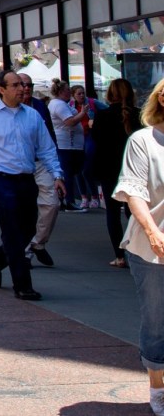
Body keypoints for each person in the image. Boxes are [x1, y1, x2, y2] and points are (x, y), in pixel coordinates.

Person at [0, 71, 65, 300]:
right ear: (1, 89)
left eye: (23, 84)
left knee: (29, 229)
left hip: (25, 178)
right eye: (15, 85)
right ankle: (22, 284)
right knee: (11, 228)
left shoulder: (32, 116)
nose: (22, 88)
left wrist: (57, 175)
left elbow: (46, 148)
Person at [111, 76, 164, 415]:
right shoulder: (143, 141)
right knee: (157, 321)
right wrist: (153, 233)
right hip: (151, 248)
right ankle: (158, 388)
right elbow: (133, 193)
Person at [93, 78, 138, 268]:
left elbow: (96, 141)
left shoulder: (103, 116)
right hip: (133, 169)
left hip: (109, 168)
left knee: (112, 212)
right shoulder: (138, 115)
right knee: (134, 212)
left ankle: (119, 256)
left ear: (110, 95)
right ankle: (138, 249)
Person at [21, 72, 62, 268]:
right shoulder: (1, 110)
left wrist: (57, 170)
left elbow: (49, 137)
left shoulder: (39, 106)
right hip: (18, 166)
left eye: (29, 84)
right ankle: (26, 250)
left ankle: (37, 243)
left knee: (52, 204)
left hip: (41, 162)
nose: (26, 88)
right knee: (24, 210)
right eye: (22, 84)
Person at [49, 79, 89, 212]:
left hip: (70, 145)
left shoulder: (62, 104)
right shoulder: (59, 105)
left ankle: (65, 200)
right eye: (67, 90)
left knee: (69, 172)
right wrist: (82, 114)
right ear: (61, 91)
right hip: (67, 145)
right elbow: (69, 122)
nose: (69, 92)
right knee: (68, 173)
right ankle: (68, 201)